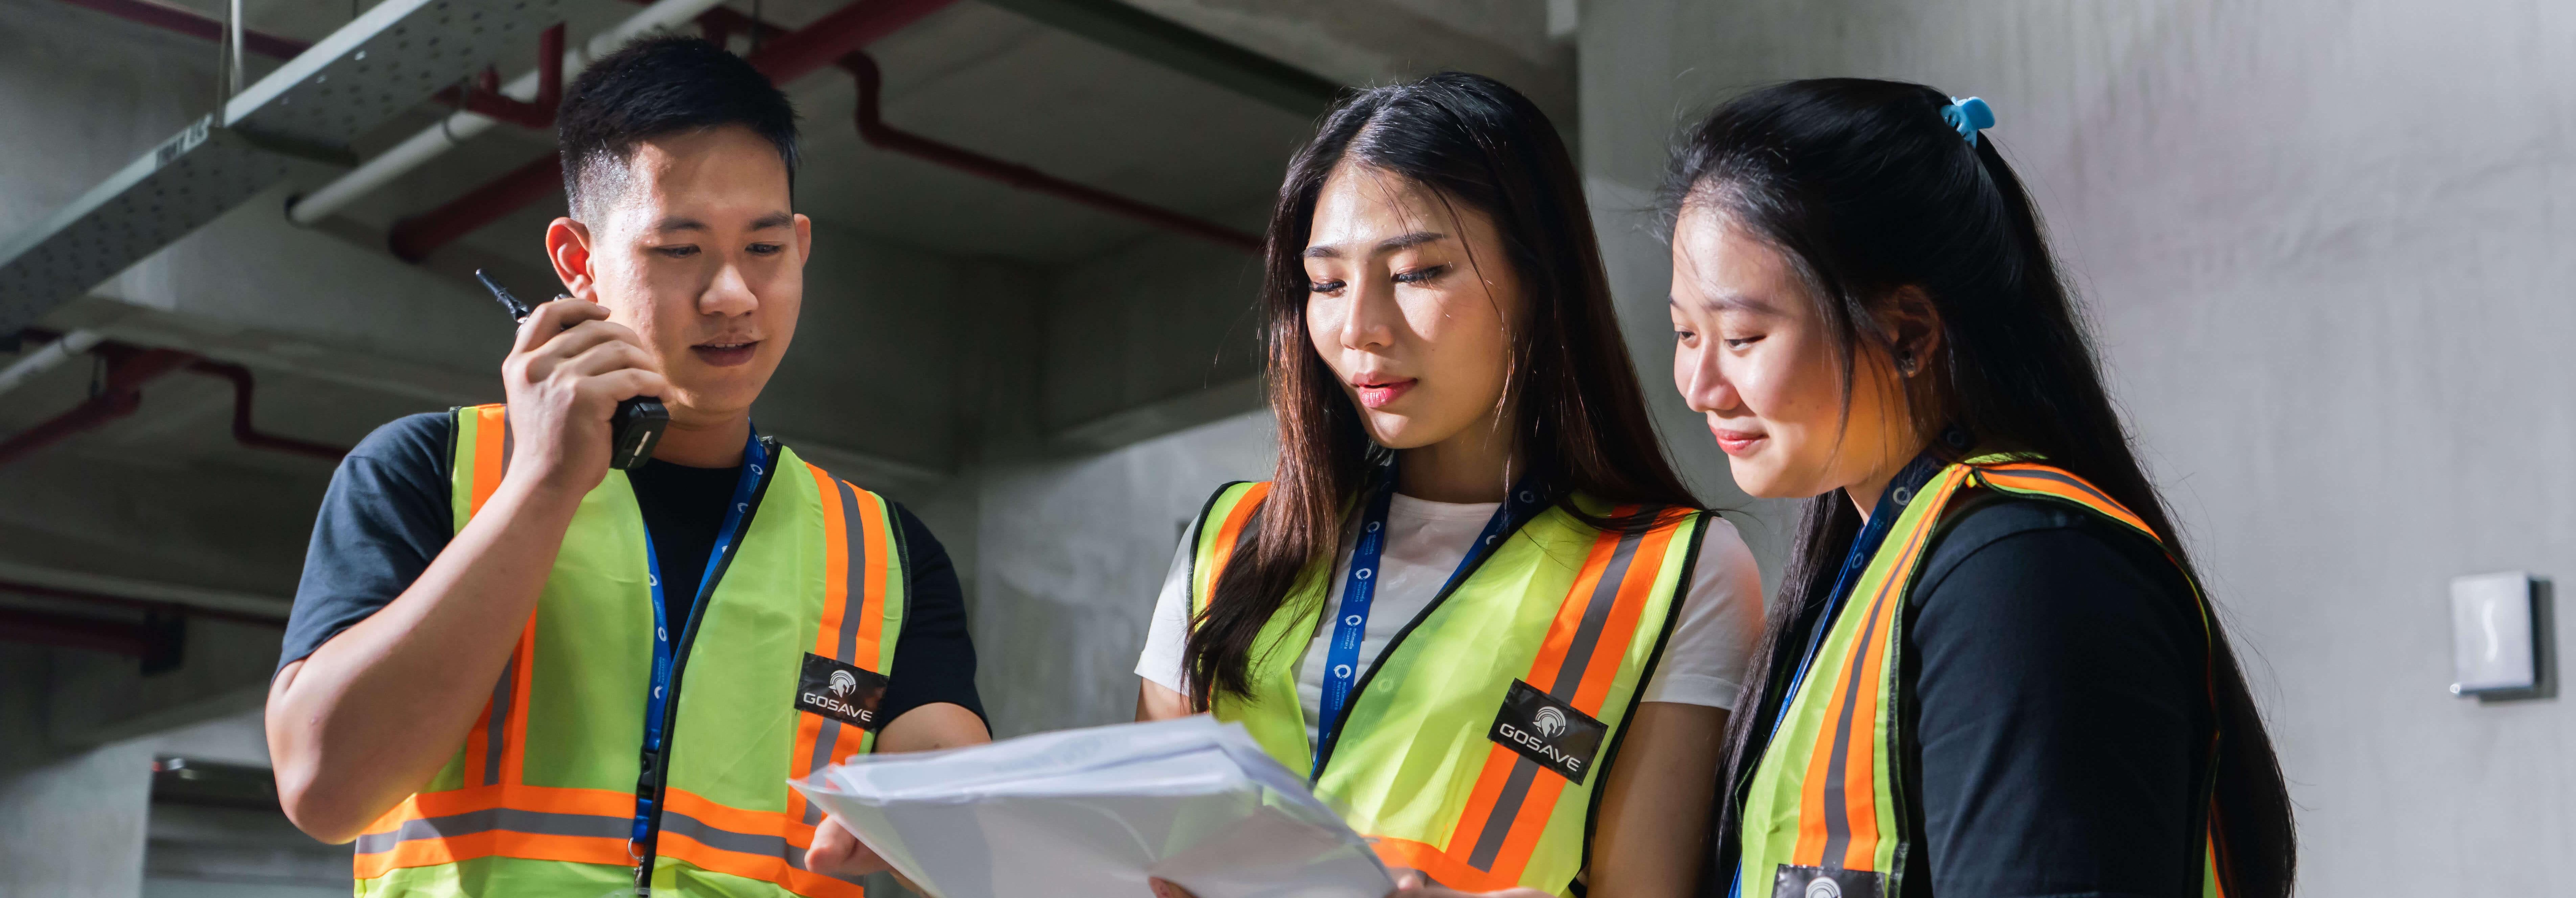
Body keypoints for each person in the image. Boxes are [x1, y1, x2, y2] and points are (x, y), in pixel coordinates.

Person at [262, 37, 989, 897]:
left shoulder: (884, 552)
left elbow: (963, 814)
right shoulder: (430, 471)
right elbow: (325, 785)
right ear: (578, 263)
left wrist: (932, 820)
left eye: (763, 250)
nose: (732, 294)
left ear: (800, 247)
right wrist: (542, 479)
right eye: (679, 250)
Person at [1134, 72, 1765, 898]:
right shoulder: (1227, 542)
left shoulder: (1673, 572)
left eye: (1416, 272)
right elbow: (1136, 852)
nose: (1358, 326)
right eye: (1326, 283)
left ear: (1539, 282)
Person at [1662, 79, 2297, 898]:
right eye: (1685, 333)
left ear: (1909, 334)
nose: (1699, 383)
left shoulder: (2026, 576)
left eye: (1742, 336)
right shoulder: (1882, 570)